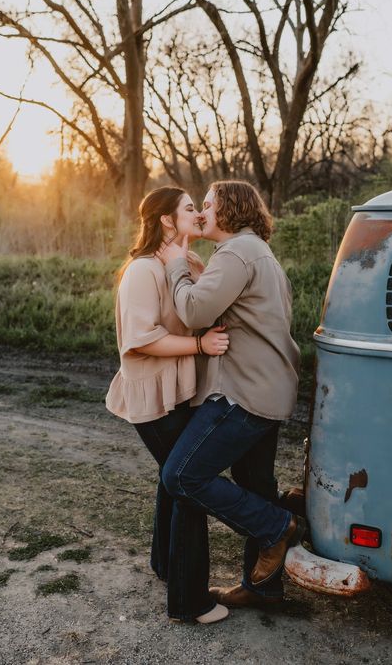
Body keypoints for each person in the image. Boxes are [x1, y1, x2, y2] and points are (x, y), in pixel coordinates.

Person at [157, 180, 304, 608]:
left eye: (208, 204)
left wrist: (175, 265)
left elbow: (194, 309)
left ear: (231, 210)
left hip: (245, 393)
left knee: (181, 475)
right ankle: (263, 588)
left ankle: (279, 527)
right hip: (272, 389)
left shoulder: (237, 252)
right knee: (253, 483)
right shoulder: (259, 251)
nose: (201, 212)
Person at [105, 186, 230, 624]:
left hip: (181, 391)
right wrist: (200, 345)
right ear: (166, 220)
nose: (198, 213)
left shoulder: (188, 262)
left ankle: (165, 564)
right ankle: (189, 603)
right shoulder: (142, 270)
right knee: (189, 483)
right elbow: (142, 340)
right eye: (190, 208)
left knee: (171, 477)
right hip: (152, 398)